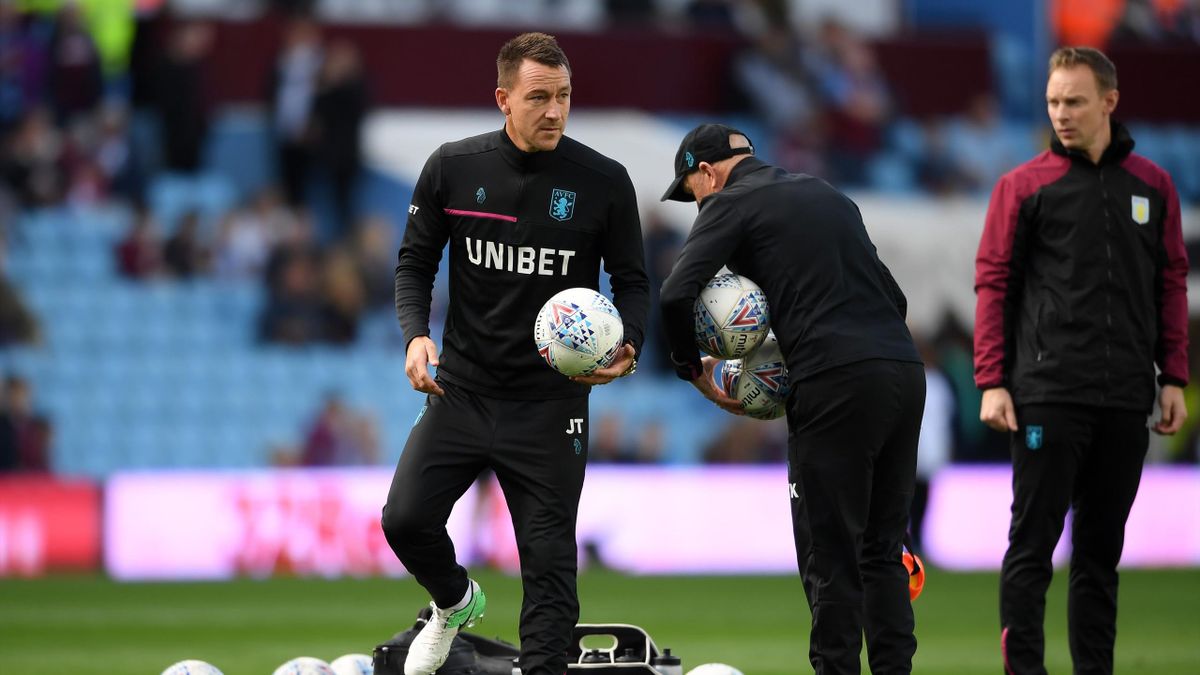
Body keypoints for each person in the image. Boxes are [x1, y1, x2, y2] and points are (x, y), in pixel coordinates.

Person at [380, 32, 649, 675]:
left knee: (550, 565)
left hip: (551, 405)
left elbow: (634, 282)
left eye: (563, 97)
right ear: (503, 99)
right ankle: (454, 600)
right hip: (463, 391)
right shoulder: (453, 166)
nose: (554, 111)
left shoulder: (604, 181)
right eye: (538, 97)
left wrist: (630, 344)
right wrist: (416, 332)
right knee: (404, 520)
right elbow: (415, 262)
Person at [658, 123, 925, 674]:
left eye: (691, 191)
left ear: (706, 172)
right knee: (884, 552)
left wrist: (692, 369)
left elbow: (676, 293)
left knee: (831, 555)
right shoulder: (830, 195)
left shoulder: (729, 202)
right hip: (901, 370)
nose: (697, 204)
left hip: (835, 382)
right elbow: (893, 297)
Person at [974, 46, 1188, 675]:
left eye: (1074, 101)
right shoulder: (1022, 186)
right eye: (1052, 102)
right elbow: (994, 285)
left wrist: (1173, 374)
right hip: (1047, 391)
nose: (1061, 114)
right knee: (1032, 548)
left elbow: (1170, 283)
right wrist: (993, 380)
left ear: (1109, 102)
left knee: (1100, 555)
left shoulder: (1153, 186)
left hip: (1126, 397)